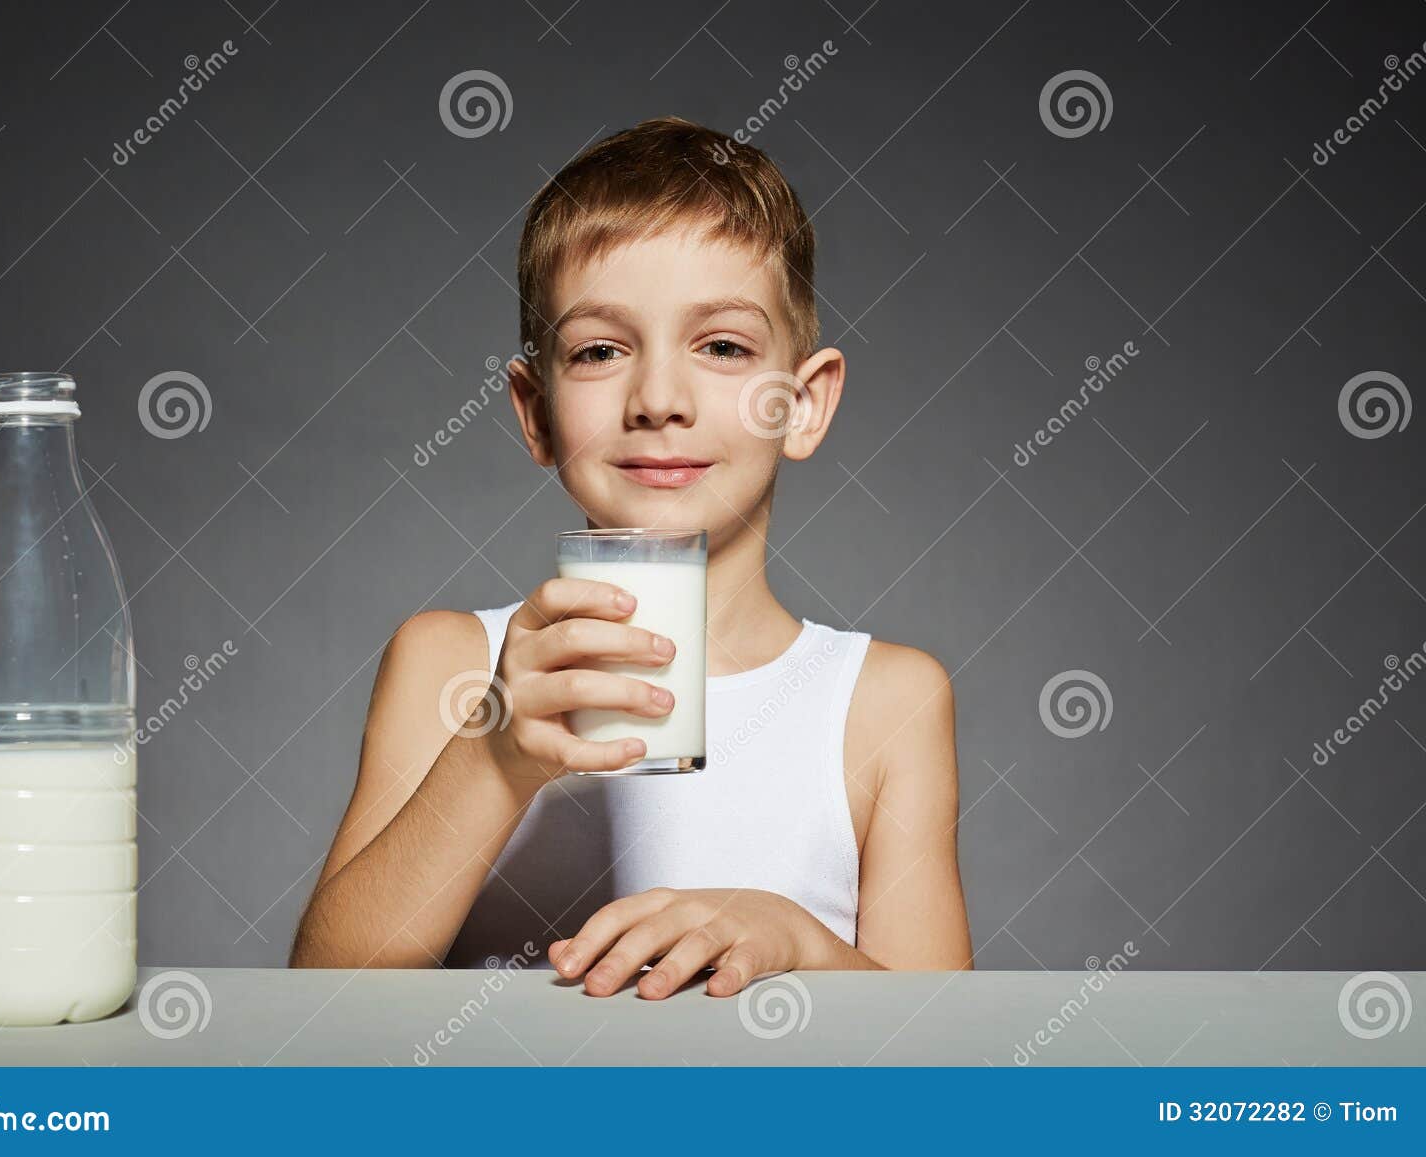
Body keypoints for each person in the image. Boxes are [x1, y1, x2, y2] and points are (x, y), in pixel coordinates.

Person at [291, 116, 973, 997]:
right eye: (600, 350)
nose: (658, 398)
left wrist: (797, 939)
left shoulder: (889, 700)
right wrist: (493, 755)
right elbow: (319, 1005)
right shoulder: (451, 664)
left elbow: (952, 1064)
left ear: (803, 404)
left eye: (722, 346)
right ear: (536, 411)